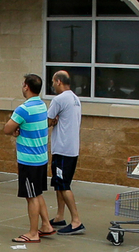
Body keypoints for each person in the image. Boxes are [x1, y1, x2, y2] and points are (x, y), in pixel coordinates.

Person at [4, 73, 52, 244]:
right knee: (37, 192)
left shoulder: (23, 109)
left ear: (26, 86)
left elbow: (7, 128)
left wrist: (16, 130)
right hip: (41, 157)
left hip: (28, 160)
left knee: (31, 196)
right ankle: (46, 225)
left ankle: (33, 233)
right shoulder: (42, 105)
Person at [47, 70, 84, 235]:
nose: (53, 85)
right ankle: (59, 216)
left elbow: (47, 120)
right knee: (59, 183)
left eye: (53, 82)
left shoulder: (59, 99)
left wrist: (52, 121)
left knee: (63, 185)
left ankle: (76, 221)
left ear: (58, 81)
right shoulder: (75, 98)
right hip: (72, 148)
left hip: (62, 148)